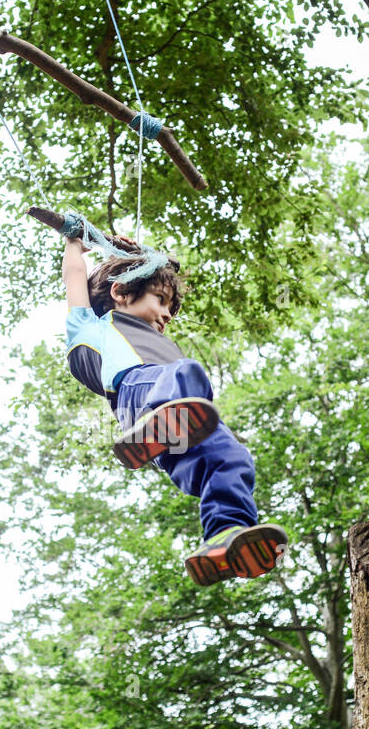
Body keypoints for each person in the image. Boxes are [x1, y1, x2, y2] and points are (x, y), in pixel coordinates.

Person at [61, 231, 288, 585]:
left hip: (181, 424)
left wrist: (137, 252)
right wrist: (75, 242)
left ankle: (225, 538)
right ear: (121, 292)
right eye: (161, 300)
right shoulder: (91, 326)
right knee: (187, 371)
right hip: (139, 394)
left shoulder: (161, 345)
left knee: (234, 457)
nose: (167, 314)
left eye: (171, 307)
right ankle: (163, 419)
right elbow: (76, 276)